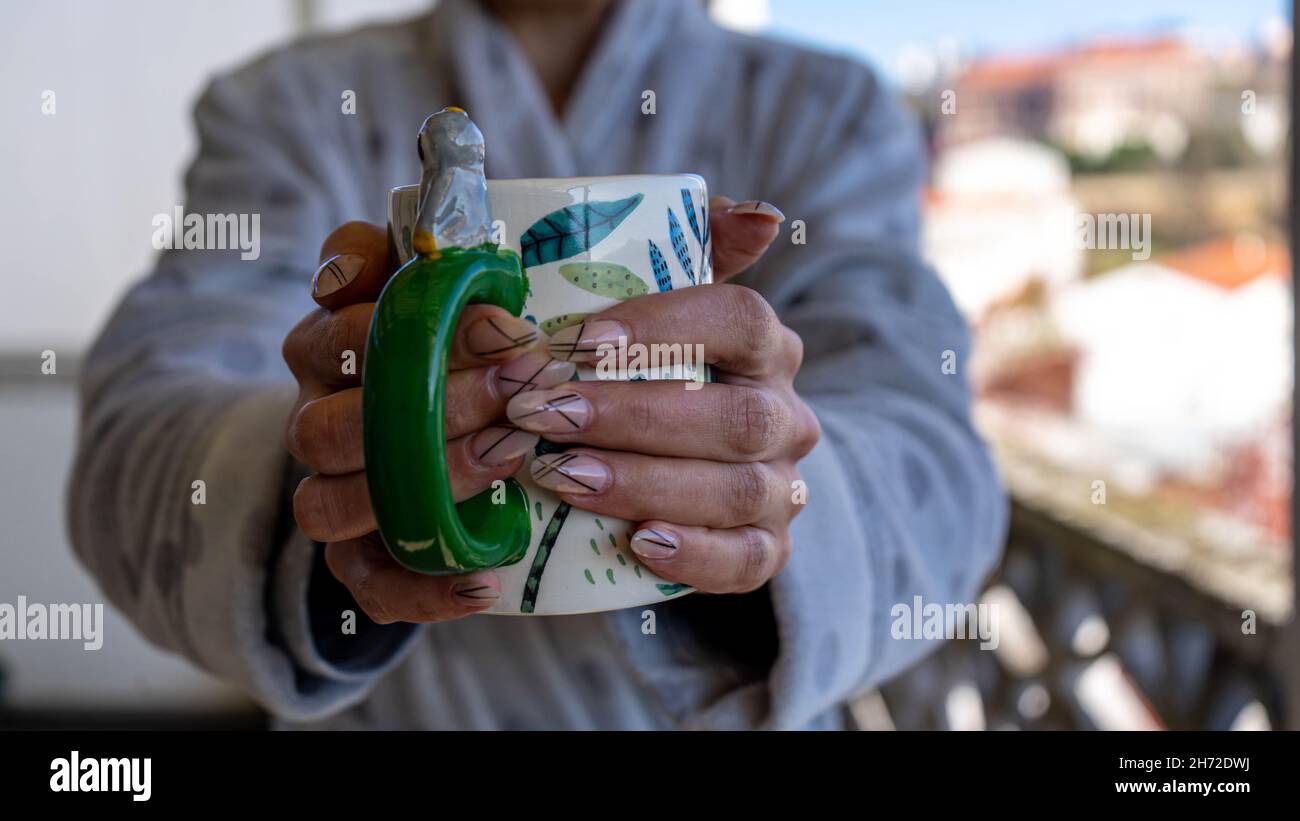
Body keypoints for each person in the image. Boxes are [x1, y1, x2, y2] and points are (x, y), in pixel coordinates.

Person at [68, 0, 1007, 729]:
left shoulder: (822, 109)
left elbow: (939, 462)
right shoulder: (288, 106)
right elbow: (132, 449)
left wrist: (765, 501)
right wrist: (339, 475)